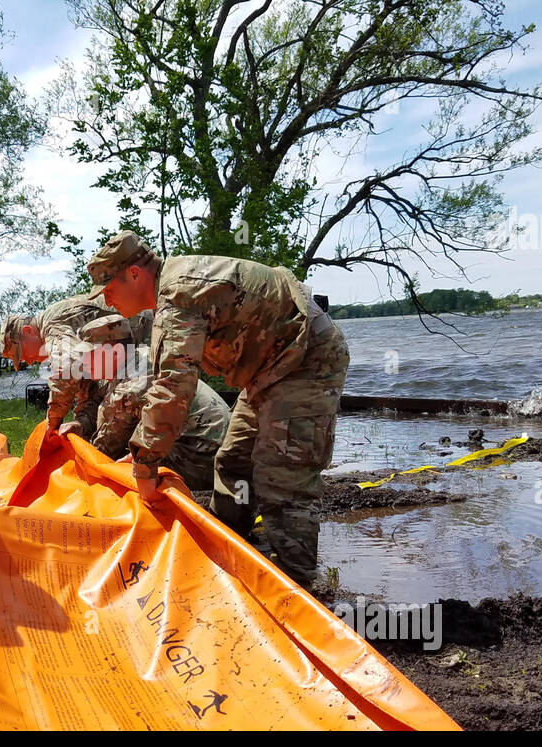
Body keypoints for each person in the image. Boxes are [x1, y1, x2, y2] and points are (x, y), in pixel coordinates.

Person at [86, 230, 350, 587]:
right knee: (234, 461)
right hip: (266, 372)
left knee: (283, 478)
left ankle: (297, 590)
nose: (107, 300)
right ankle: (230, 549)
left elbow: (174, 382)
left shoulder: (178, 293)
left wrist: (145, 462)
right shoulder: (171, 291)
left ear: (134, 274)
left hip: (304, 360)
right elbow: (169, 381)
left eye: (109, 288)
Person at [78, 314, 230, 494]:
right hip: (208, 443)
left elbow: (104, 451)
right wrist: (82, 423)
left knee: (123, 475)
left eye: (90, 354)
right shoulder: (137, 359)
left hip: (202, 453)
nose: (83, 362)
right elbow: (98, 399)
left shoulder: (133, 385)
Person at [0, 295, 119, 440]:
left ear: (27, 331)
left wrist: (53, 421)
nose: (29, 362)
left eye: (23, 354)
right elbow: (89, 396)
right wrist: (80, 423)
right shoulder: (72, 343)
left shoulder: (52, 323)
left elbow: (66, 370)